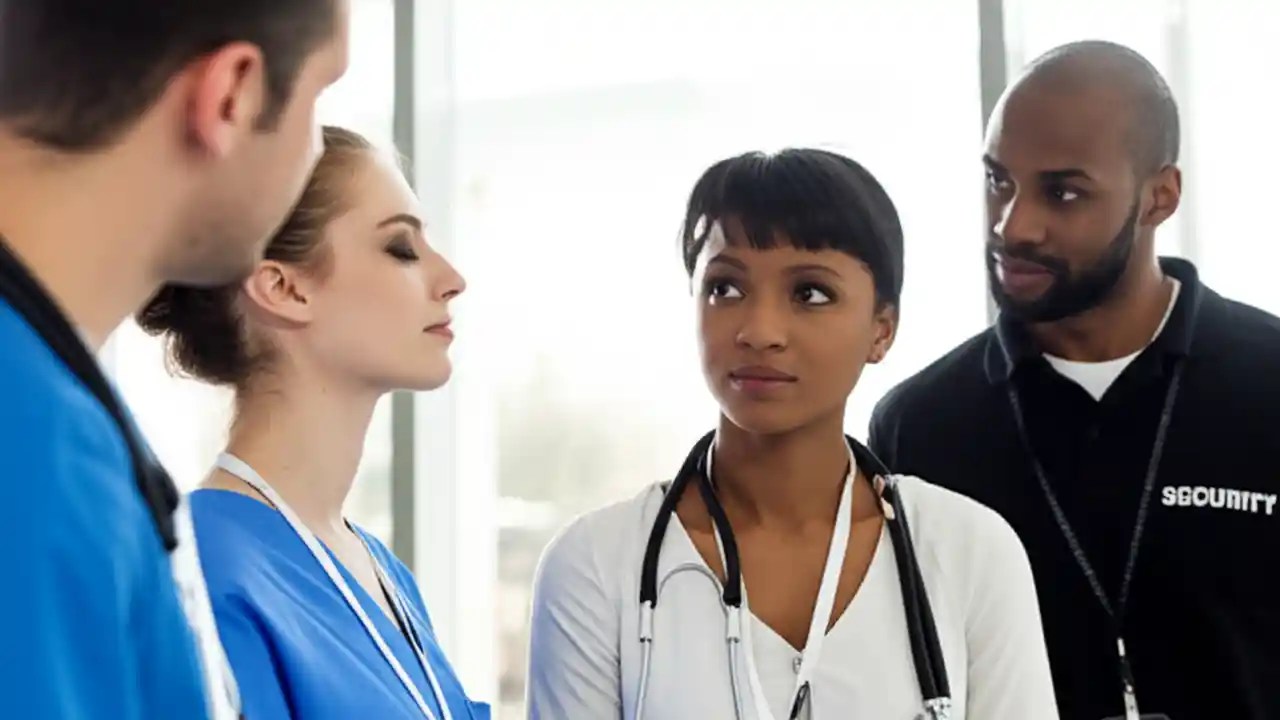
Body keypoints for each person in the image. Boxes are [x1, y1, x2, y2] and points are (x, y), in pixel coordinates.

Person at [525, 148, 1058, 719]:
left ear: (882, 329)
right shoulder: (595, 566)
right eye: (725, 288)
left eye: (810, 293)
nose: (760, 331)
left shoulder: (969, 551)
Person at [869, 40, 1280, 720]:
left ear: (1159, 197)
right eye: (998, 180)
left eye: (1062, 191)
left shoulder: (1268, 384)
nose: (1013, 224)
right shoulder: (920, 425)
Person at [0, 2, 349, 718]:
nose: (315, 148)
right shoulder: (37, 456)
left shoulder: (56, 410)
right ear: (231, 94)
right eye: (319, 97)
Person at [136, 125, 489, 720]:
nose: (452, 278)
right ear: (283, 287)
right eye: (402, 249)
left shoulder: (381, 571)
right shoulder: (206, 568)